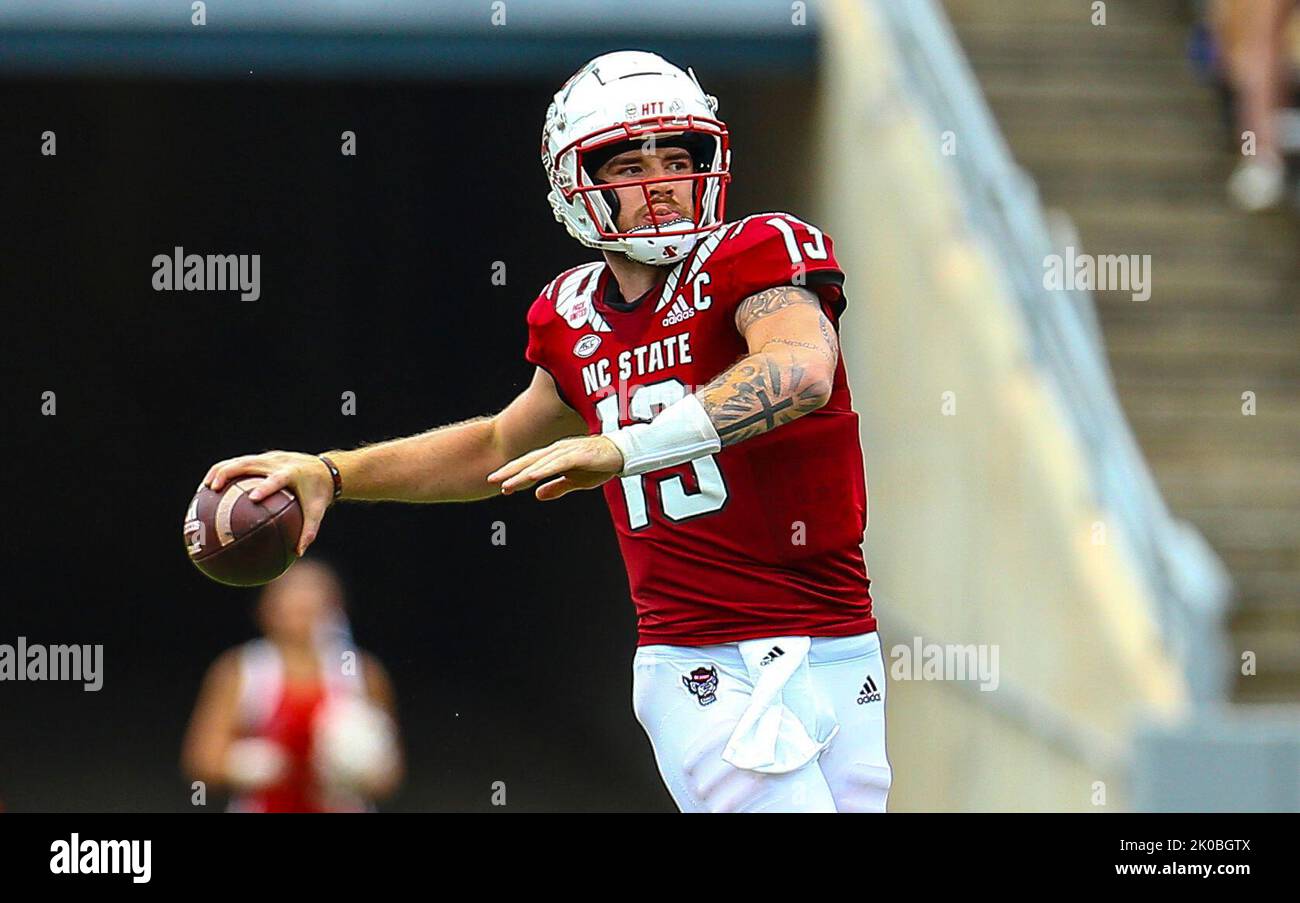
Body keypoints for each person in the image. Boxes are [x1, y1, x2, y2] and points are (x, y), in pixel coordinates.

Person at [202, 50, 890, 812]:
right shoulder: (571, 315)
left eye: (677, 153)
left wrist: (624, 446)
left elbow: (800, 372)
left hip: (839, 641)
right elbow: (499, 443)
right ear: (576, 183)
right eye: (628, 162)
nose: (659, 178)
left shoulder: (759, 253)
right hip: (702, 657)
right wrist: (331, 471)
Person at [182, 559, 403, 812]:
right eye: (292, 597)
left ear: (337, 608)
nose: (303, 607)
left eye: (313, 598)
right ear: (265, 609)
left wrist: (361, 766)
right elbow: (200, 763)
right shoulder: (239, 670)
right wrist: (247, 765)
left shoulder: (362, 672)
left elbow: (391, 776)